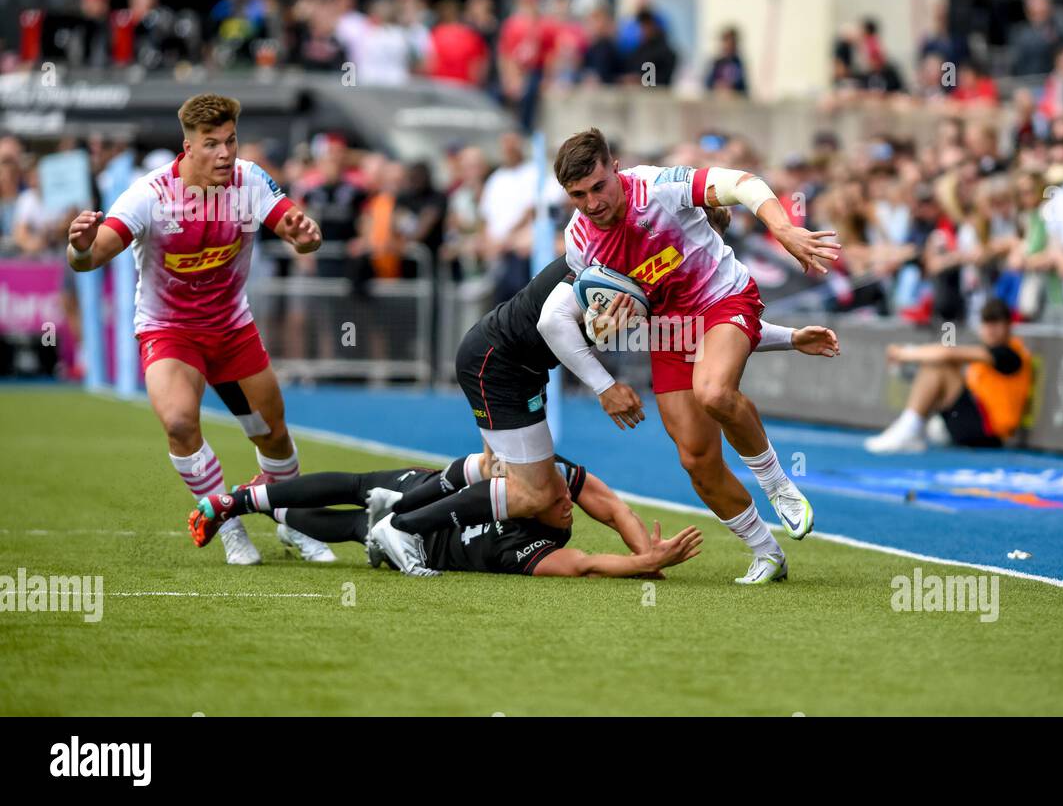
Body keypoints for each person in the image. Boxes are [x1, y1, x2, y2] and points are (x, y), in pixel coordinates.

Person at [355, 252, 839, 582]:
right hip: (497, 364)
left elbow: (718, 327)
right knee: (535, 492)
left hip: (518, 369)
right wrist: (606, 387)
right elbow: (551, 321)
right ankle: (403, 528)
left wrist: (789, 338)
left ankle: (392, 509)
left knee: (496, 471)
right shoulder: (615, 260)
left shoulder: (662, 278)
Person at [541, 128, 843, 584]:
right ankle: (766, 553)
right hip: (669, 331)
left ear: (616, 170)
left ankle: (778, 486)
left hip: (723, 298)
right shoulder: (580, 241)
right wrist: (611, 321)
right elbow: (606, 323)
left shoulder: (657, 187)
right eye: (578, 195)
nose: (591, 203)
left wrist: (782, 229)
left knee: (714, 392)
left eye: (598, 187)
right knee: (695, 461)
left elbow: (743, 183)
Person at [65, 93, 335, 566]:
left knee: (272, 436)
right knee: (179, 421)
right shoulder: (150, 195)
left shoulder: (249, 180)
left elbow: (297, 231)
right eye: (212, 144)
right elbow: (88, 260)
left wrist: (307, 237)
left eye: (231, 141)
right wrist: (80, 248)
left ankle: (294, 522)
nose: (225, 154)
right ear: (187, 147)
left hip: (233, 331)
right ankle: (228, 525)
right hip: (170, 333)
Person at [188, 452, 702, 579]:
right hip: (431, 488)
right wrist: (644, 556)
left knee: (352, 525)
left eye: (563, 504)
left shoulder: (531, 549)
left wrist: (645, 559)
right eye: (557, 498)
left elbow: (589, 554)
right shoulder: (541, 477)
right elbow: (611, 511)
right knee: (358, 487)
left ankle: (272, 512)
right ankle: (241, 500)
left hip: (424, 548)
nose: (568, 500)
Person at [866, 298, 1033, 453]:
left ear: (1009, 325)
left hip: (989, 434)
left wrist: (905, 353)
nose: (991, 330)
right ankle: (916, 426)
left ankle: (911, 427)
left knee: (940, 366)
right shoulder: (984, 351)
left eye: (996, 323)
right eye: (987, 323)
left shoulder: (1010, 355)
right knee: (935, 365)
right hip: (976, 422)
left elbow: (947, 353)